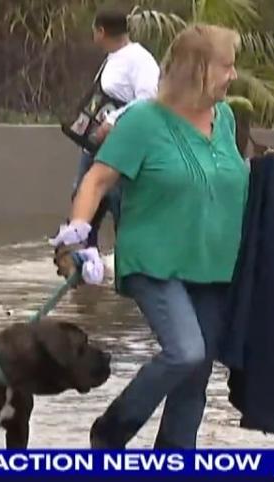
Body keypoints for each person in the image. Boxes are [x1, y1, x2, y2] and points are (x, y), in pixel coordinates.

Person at [54, 23, 249, 449]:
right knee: (185, 352)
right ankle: (111, 432)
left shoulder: (228, 119)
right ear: (197, 70)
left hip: (214, 266)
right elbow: (97, 181)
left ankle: (173, 467)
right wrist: (77, 236)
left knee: (195, 375)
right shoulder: (144, 121)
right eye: (226, 67)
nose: (233, 76)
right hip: (155, 261)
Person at [63, 6, 161, 248]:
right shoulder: (113, 58)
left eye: (94, 31)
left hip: (121, 150)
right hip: (95, 148)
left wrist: (113, 120)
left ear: (101, 31)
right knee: (82, 198)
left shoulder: (139, 59)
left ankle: (126, 269)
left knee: (120, 205)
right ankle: (86, 261)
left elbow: (149, 98)